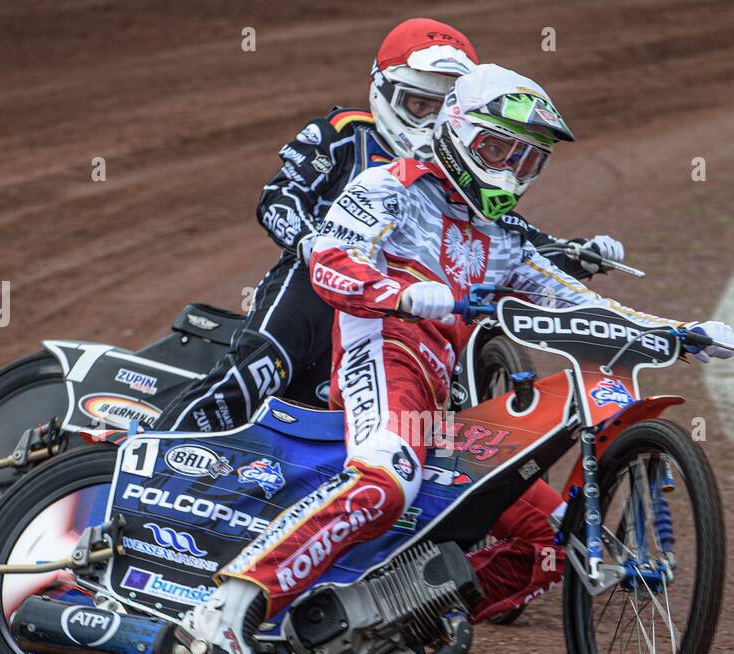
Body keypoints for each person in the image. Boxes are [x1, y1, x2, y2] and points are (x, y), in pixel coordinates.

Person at [193, 63, 734, 654]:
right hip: (381, 352)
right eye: (497, 149)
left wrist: (681, 331)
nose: (509, 171)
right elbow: (328, 263)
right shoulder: (389, 187)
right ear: (455, 131)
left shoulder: (505, 237)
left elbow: (575, 303)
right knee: (387, 480)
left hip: (442, 391)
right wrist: (398, 294)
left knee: (546, 539)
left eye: (527, 160)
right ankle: (230, 607)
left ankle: (395, 630)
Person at [157, 17, 624, 435]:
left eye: (442, 108)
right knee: (259, 367)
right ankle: (140, 458)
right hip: (320, 286)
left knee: (441, 414)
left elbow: (507, 235)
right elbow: (279, 197)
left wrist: (574, 253)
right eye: (420, 104)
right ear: (384, 89)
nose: (429, 120)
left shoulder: (464, 169)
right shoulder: (344, 133)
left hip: (422, 309)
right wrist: (310, 243)